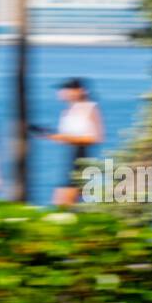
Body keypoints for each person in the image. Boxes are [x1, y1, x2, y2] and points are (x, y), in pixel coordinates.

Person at [44, 77, 104, 207]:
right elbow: (67, 137)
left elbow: (96, 137)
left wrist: (65, 138)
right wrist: (52, 136)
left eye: (66, 89)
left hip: (82, 158)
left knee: (64, 203)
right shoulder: (67, 111)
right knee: (64, 203)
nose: (62, 93)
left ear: (79, 91)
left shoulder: (90, 108)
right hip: (68, 159)